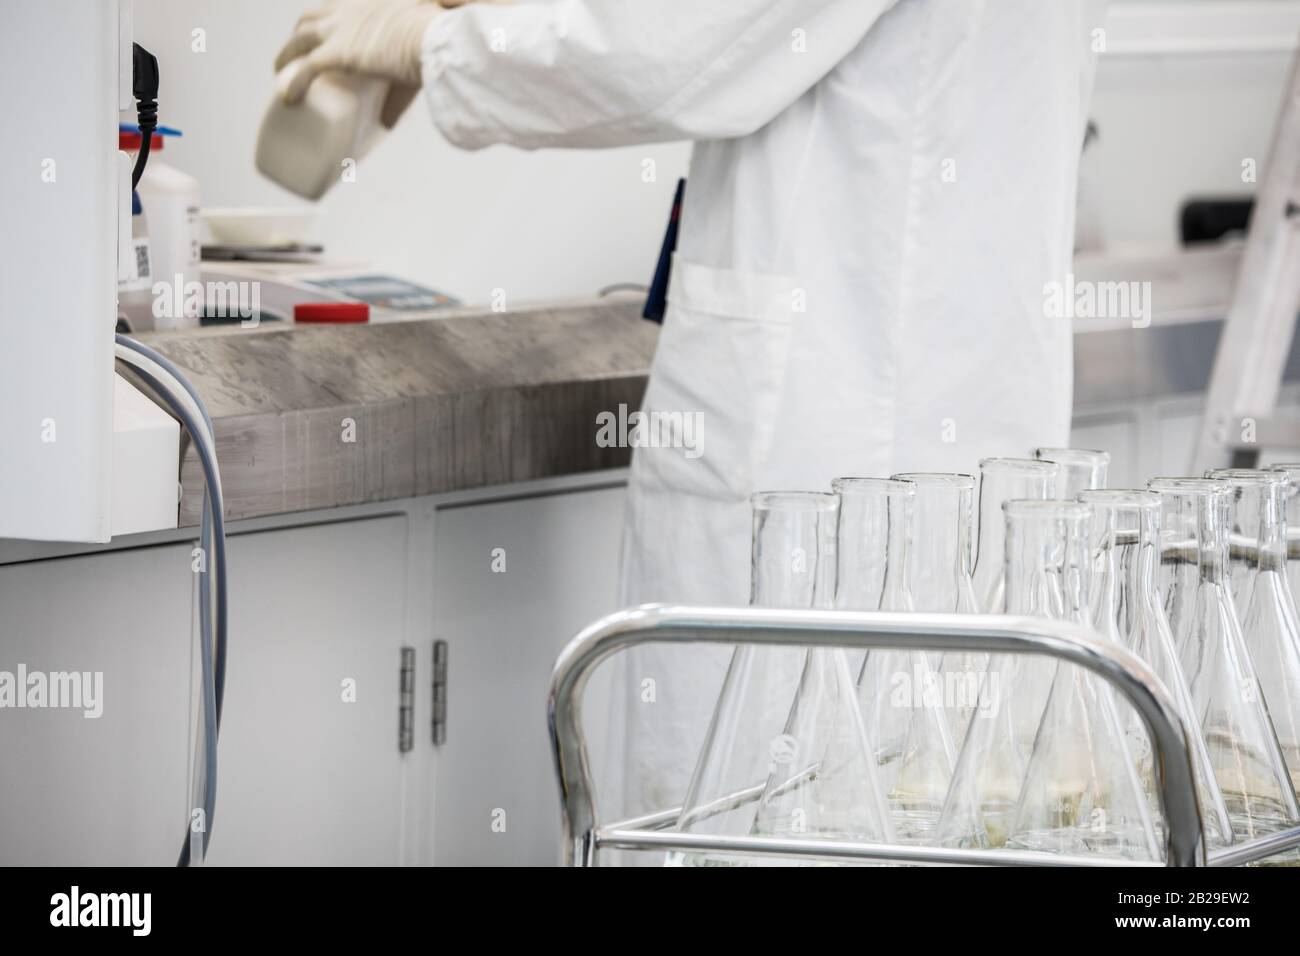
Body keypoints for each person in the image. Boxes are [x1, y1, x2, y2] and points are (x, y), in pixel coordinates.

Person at [276, 0, 1109, 829]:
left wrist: (438, 44)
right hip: (958, 415)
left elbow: (675, 45)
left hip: (829, 443)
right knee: (941, 804)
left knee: (769, 809)